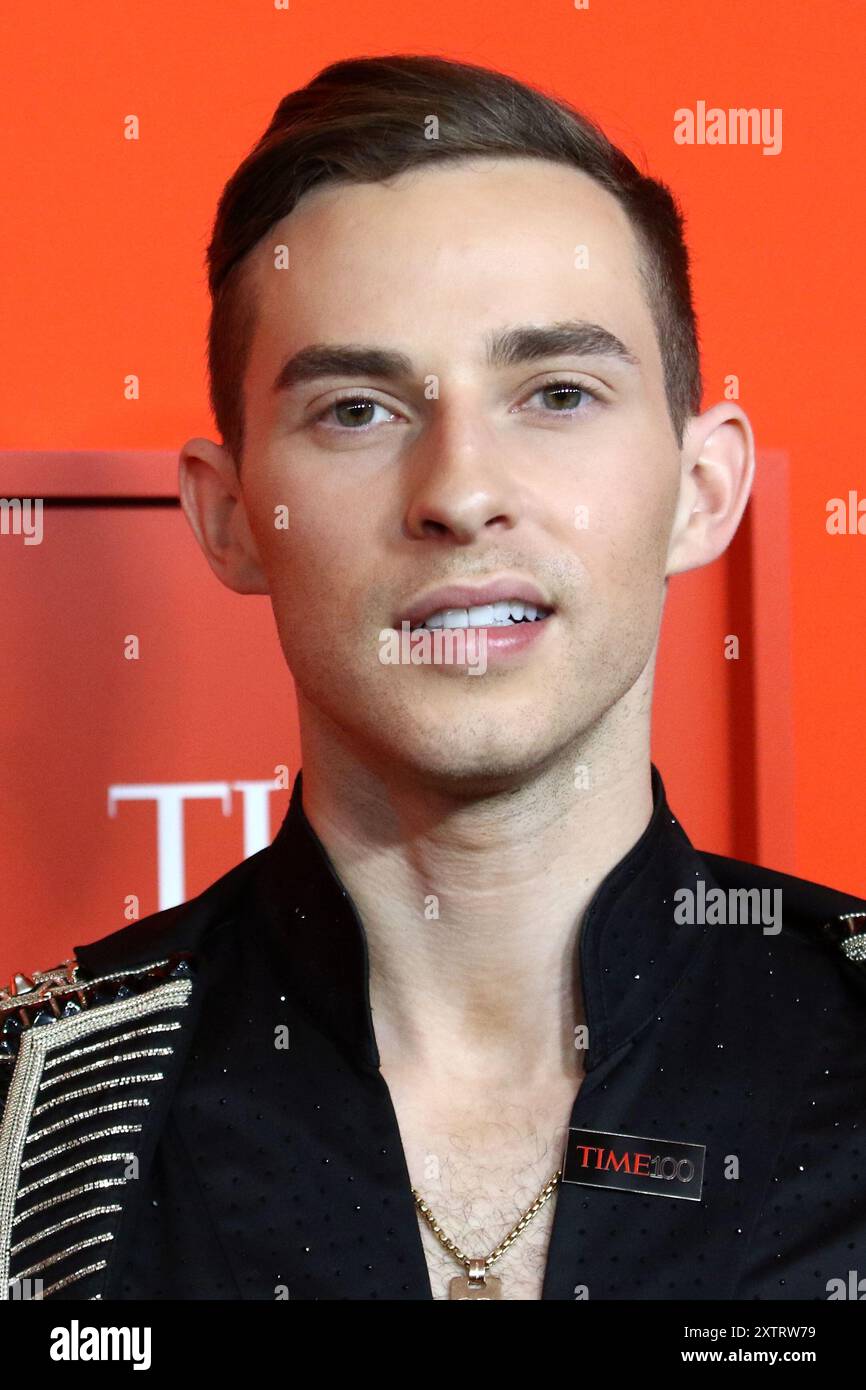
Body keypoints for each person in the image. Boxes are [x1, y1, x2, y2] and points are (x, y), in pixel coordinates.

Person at [2, 53, 865, 1304]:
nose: (458, 491)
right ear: (232, 513)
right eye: (356, 409)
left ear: (699, 489)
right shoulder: (32, 1131)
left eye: (556, 393)